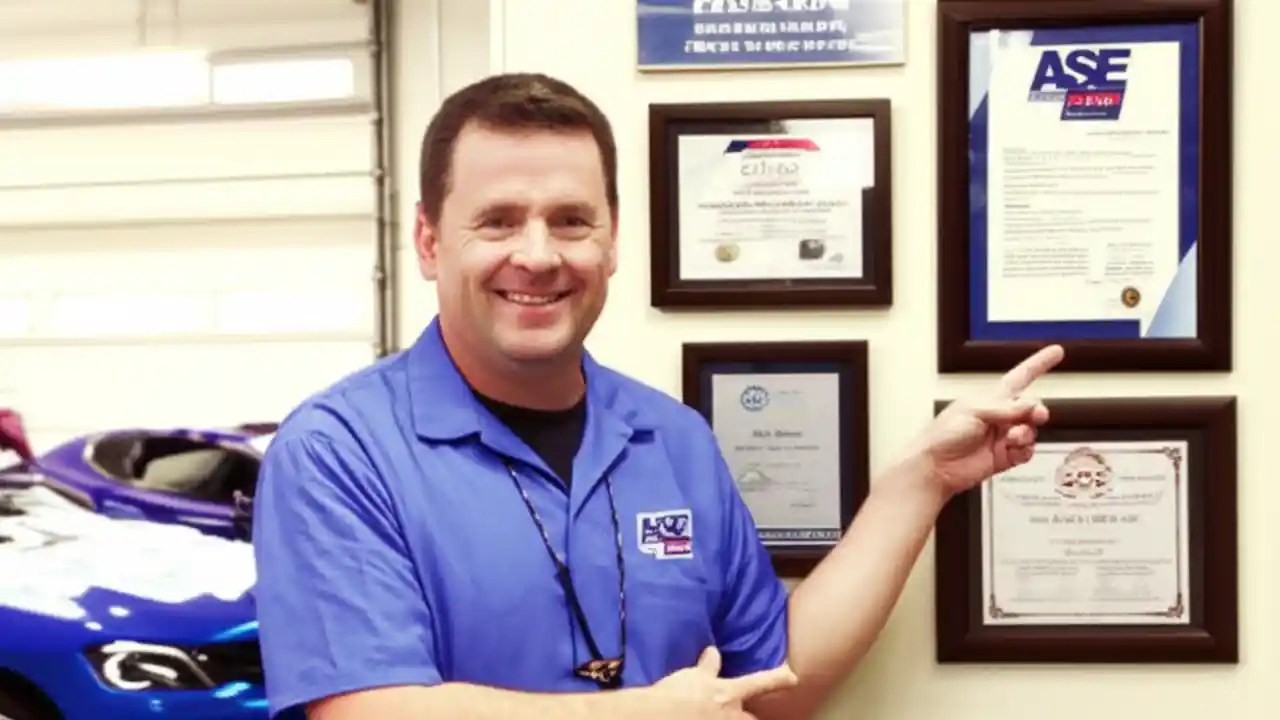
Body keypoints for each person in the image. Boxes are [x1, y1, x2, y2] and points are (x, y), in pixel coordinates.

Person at [250, 72, 1065, 720]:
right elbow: (367, 709)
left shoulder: (669, 439)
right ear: (430, 242)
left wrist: (920, 483)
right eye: (497, 222)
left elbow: (775, 683)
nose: (537, 255)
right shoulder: (339, 449)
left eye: (571, 220)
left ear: (612, 240)